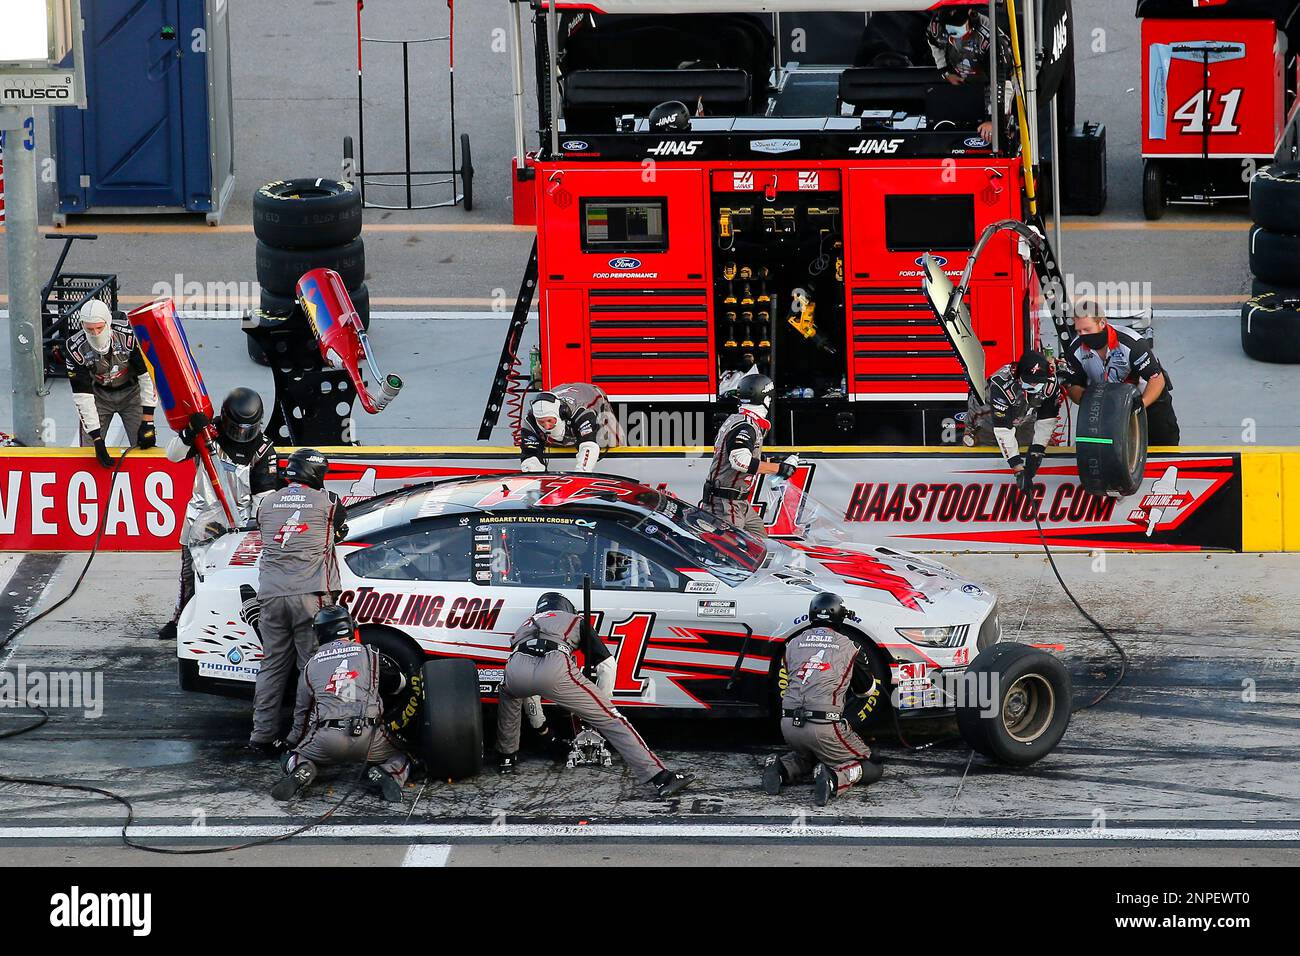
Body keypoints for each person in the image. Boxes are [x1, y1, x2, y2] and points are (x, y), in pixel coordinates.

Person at [495, 592, 692, 799]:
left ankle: (505, 758)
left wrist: (541, 728)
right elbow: (607, 666)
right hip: (554, 668)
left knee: (509, 696)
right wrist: (601, 707)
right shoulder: (575, 620)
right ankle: (661, 777)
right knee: (614, 720)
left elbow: (531, 690)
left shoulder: (526, 624)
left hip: (516, 667)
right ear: (567, 608)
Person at [158, 387, 279, 642]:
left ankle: (228, 622)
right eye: (237, 428)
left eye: (248, 430)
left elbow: (264, 497)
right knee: (190, 574)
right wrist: (189, 432)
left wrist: (255, 529)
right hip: (201, 519)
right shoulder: (206, 434)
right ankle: (181, 618)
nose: (241, 435)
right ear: (225, 419)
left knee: (232, 578)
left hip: (240, 525)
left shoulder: (264, 449)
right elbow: (172, 456)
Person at [249, 448, 348, 756]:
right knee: (312, 666)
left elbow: (266, 530)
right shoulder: (329, 502)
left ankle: (261, 735)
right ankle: (300, 735)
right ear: (316, 474)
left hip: (270, 596)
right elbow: (339, 529)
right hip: (311, 597)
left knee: (272, 666)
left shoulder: (266, 503)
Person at [271, 605, 411, 803]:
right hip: (368, 737)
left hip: (326, 740)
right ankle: (388, 773)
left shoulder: (310, 666)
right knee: (404, 756)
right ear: (350, 626)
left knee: (289, 756)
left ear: (319, 633)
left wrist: (292, 742)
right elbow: (399, 685)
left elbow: (302, 713)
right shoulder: (370, 654)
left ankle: (303, 768)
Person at [762, 592, 884, 808]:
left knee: (809, 756)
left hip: (789, 726)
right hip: (823, 726)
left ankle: (780, 768)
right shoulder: (848, 646)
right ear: (840, 615)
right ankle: (835, 779)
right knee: (872, 763)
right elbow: (865, 691)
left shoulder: (792, 643)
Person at [1063, 300, 1180, 446]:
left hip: (1147, 401)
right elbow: (1073, 385)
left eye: (1087, 329)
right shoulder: (1075, 350)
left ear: (1102, 323)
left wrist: (1140, 405)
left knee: (1164, 446)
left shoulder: (1132, 344)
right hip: (1106, 405)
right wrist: (1091, 402)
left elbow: (1157, 379)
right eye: (1079, 331)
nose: (1083, 335)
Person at [701, 373, 798, 537]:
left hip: (737, 501)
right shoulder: (747, 426)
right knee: (731, 555)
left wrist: (770, 461)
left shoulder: (740, 419)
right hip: (726, 503)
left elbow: (739, 453)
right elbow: (740, 461)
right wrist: (779, 468)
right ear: (765, 399)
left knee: (761, 540)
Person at [65, 300, 158, 467]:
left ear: (107, 322)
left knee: (144, 446)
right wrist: (97, 439)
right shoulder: (74, 349)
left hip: (132, 394)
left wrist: (148, 420)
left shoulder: (129, 335)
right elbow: (82, 396)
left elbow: (147, 377)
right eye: (89, 329)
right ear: (82, 326)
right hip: (98, 397)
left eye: (99, 328)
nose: (95, 333)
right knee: (88, 451)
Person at [967, 350, 1063, 491]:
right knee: (990, 454)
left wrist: (1037, 452)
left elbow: (1047, 420)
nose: (1034, 385)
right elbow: (1003, 429)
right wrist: (1017, 468)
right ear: (1019, 376)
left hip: (1023, 418)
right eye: (1029, 381)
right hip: (986, 419)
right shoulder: (1001, 383)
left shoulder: (1051, 382)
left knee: (1032, 450)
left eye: (1038, 382)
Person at [925, 5, 1011, 143]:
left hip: (992, 83)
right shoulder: (936, 26)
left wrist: (994, 120)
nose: (952, 33)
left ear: (971, 15)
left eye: (957, 26)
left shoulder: (991, 38)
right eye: (949, 28)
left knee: (993, 133)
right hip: (962, 81)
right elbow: (933, 43)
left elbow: (1003, 81)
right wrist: (945, 71)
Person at [519, 382, 620, 473]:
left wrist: (581, 473)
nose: (547, 426)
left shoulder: (581, 412)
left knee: (607, 441)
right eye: (541, 422)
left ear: (561, 414)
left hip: (593, 395)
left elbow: (589, 446)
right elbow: (529, 452)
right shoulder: (530, 421)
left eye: (550, 420)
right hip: (563, 391)